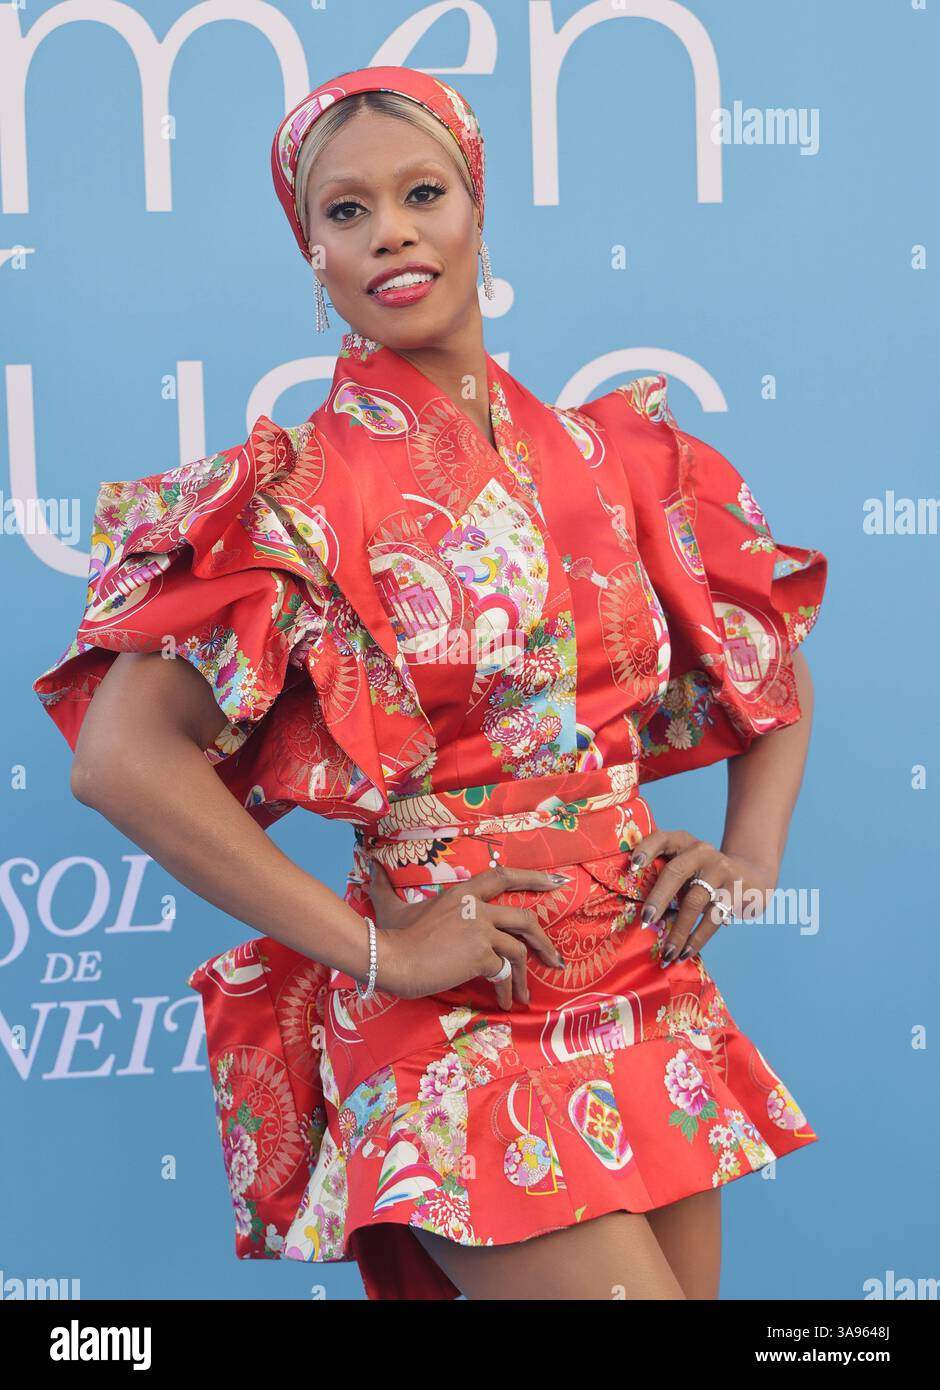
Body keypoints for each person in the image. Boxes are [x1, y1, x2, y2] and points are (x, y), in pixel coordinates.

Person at [32, 66, 828, 1301]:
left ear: (475, 210)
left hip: (640, 990)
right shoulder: (298, 492)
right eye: (345, 211)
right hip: (453, 1021)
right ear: (314, 253)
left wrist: (752, 858)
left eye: (422, 192)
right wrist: (376, 952)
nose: (390, 229)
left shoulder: (613, 454)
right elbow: (119, 759)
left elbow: (768, 649)